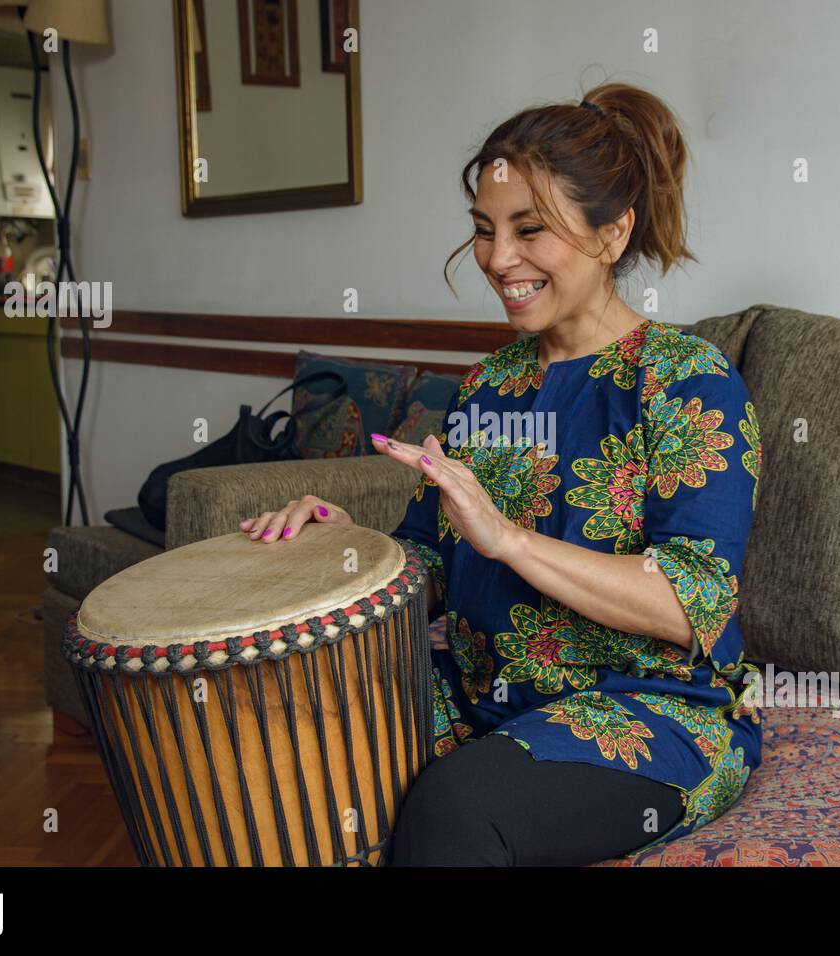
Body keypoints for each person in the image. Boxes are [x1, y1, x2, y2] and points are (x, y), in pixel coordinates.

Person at [240, 82, 763, 866]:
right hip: (488, 694)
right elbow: (428, 560)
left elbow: (689, 603)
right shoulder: (489, 386)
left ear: (613, 233)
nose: (497, 258)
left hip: (652, 708)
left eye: (529, 230)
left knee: (458, 811)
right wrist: (347, 550)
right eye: (484, 231)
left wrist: (510, 539)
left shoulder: (686, 380)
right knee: (279, 725)